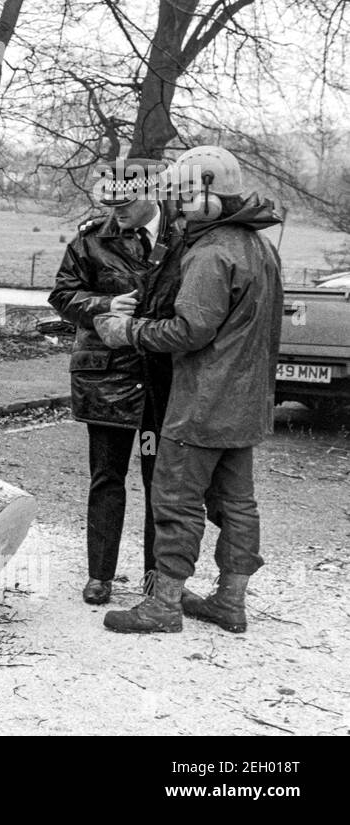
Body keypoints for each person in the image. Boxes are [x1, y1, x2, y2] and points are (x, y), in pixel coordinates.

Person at [94, 145, 283, 634]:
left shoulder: (211, 253)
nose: (173, 207)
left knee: (175, 502)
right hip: (247, 405)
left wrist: (128, 332)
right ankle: (230, 601)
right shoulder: (259, 247)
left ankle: (163, 606)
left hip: (202, 404)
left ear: (204, 195)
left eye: (179, 197)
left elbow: (189, 331)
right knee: (239, 505)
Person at [50, 158, 186, 605]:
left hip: (160, 384)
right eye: (109, 201)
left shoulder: (183, 236)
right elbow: (62, 294)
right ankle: (99, 576)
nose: (116, 210)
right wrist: (105, 304)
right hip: (107, 384)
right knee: (107, 477)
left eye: (124, 202)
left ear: (153, 194)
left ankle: (154, 578)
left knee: (157, 480)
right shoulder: (92, 240)